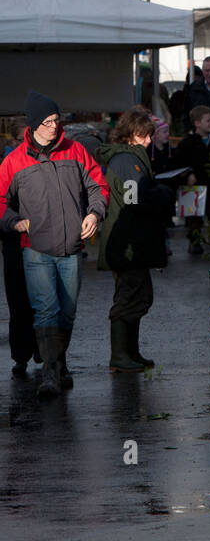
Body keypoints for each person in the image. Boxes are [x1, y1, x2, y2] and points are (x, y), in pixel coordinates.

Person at [0, 91, 108, 399]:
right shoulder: (13, 161)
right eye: (47, 122)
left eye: (56, 120)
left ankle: (59, 362)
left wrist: (94, 213)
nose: (53, 127)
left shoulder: (76, 151)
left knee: (67, 311)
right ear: (33, 125)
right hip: (34, 249)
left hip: (71, 246)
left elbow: (98, 186)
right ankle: (49, 373)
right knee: (46, 310)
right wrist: (13, 221)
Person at [97, 107, 175, 372]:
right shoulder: (127, 161)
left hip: (132, 241)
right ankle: (120, 356)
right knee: (129, 297)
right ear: (131, 135)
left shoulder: (130, 158)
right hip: (128, 243)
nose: (149, 141)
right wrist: (162, 193)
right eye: (144, 136)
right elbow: (134, 198)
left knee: (139, 295)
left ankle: (130, 352)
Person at [0, 117, 38, 377]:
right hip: (15, 238)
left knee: (36, 298)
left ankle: (29, 353)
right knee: (22, 298)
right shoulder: (9, 163)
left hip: (33, 238)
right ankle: (24, 353)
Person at [173, 105, 210, 254]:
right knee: (194, 217)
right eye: (208, 120)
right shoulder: (187, 143)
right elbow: (180, 163)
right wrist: (189, 174)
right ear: (197, 123)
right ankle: (194, 241)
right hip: (194, 186)